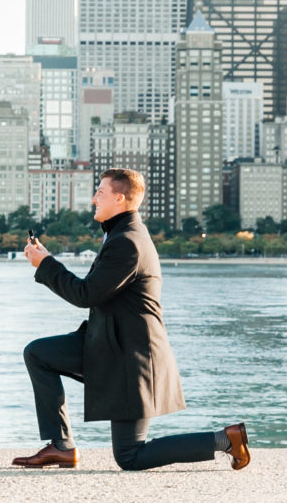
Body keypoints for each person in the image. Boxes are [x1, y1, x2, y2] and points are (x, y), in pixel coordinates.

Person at [14, 168, 250, 471]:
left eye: (100, 192)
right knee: (39, 353)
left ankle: (225, 440)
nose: (93, 199)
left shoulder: (127, 241)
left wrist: (46, 264)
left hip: (131, 359)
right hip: (109, 347)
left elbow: (86, 295)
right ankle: (61, 446)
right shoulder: (120, 234)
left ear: (120, 198)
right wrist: (47, 263)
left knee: (129, 456)